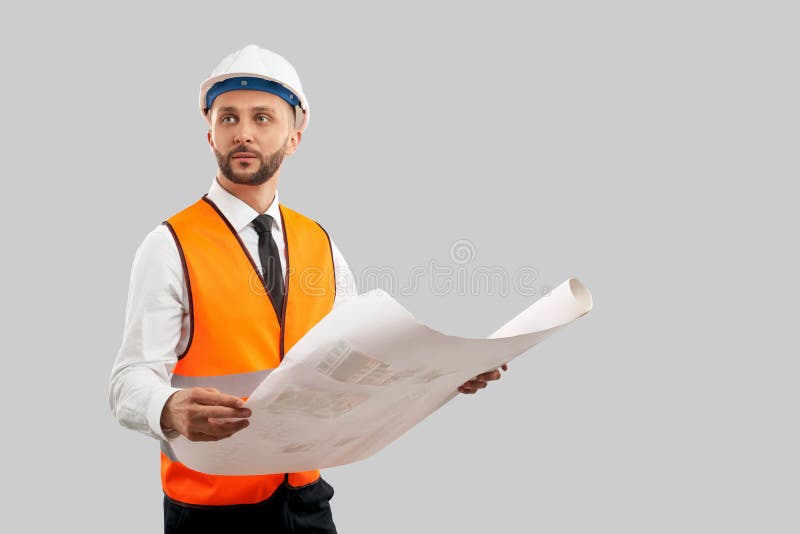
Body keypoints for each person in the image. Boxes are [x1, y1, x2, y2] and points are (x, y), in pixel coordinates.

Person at [109, 44, 505, 534]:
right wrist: (166, 407)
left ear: (293, 137)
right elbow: (127, 381)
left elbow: (365, 361)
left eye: (262, 118)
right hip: (209, 510)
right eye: (228, 118)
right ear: (209, 131)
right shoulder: (168, 245)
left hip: (306, 500)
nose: (244, 133)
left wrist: (445, 377)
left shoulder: (319, 242)